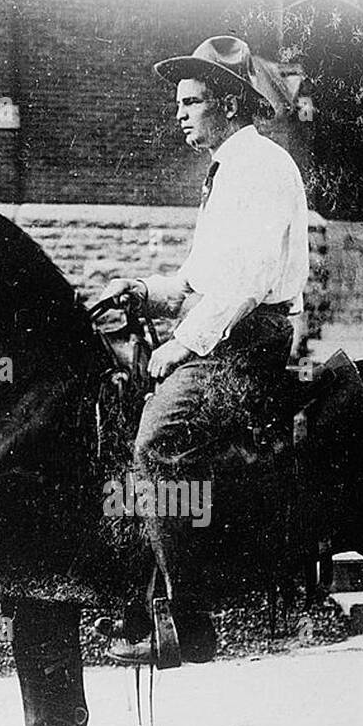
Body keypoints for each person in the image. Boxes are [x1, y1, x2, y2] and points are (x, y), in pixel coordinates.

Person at [98, 36, 310, 665]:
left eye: (191, 101)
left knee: (158, 443)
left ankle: (186, 622)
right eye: (180, 102)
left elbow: (244, 284)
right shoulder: (228, 171)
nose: (180, 113)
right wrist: (139, 290)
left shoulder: (261, 167)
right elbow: (196, 280)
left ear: (228, 105)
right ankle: (141, 587)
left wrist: (182, 347)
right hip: (227, 334)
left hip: (247, 346)